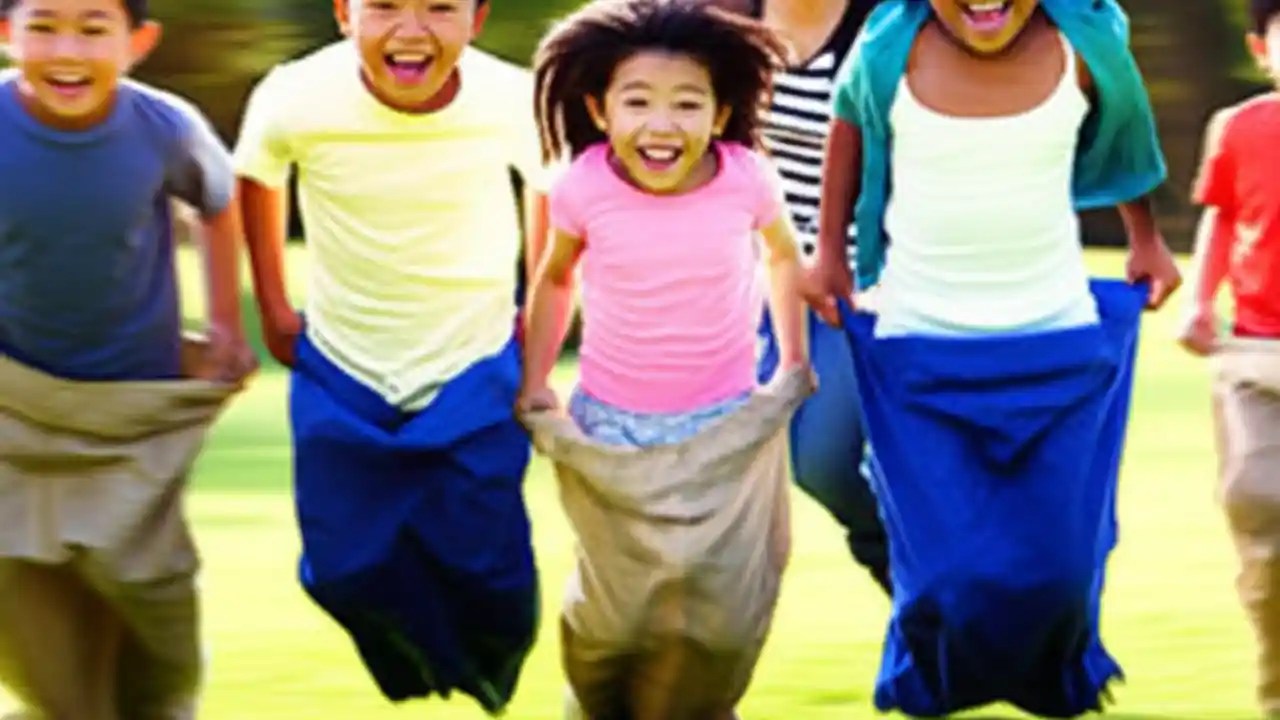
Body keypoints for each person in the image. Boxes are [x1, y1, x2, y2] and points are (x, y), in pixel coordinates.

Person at [811, 0, 1182, 715]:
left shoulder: (1086, 39)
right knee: (946, 578)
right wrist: (831, 255)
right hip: (922, 347)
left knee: (1064, 573)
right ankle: (926, 686)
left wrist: (1147, 237)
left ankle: (1060, 683)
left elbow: (1128, 138)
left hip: (1055, 343)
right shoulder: (891, 43)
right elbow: (848, 129)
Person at [232, 0, 548, 713]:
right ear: (344, 14)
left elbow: (552, 188)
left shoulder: (513, 94)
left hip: (474, 361)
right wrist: (275, 308)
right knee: (341, 568)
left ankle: (490, 669)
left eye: (440, 7)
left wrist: (543, 305)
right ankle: (420, 674)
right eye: (384, 7)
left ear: (477, 15)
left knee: (484, 563)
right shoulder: (295, 94)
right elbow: (256, 174)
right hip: (347, 365)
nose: (412, 30)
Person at [519, 0, 828, 716]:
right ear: (600, 111)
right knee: (621, 614)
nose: (663, 125)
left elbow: (784, 259)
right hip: (611, 435)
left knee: (715, 617)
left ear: (720, 116)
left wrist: (792, 360)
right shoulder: (582, 185)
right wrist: (536, 383)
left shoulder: (746, 177)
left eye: (688, 104)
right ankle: (596, 700)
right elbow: (556, 277)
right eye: (638, 102)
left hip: (723, 426)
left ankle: (700, 705)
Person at [0, 0, 256, 716]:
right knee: (17, 578)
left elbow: (217, 201)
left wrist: (227, 328)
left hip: (131, 408)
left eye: (92, 27)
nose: (67, 48)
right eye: (43, 26)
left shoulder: (165, 127)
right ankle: (65, 703)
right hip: (12, 401)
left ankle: (155, 704)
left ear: (137, 41)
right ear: (6, 35)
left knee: (144, 578)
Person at [723, 0, 892, 596]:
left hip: (861, 283)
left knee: (824, 461)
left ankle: (920, 581)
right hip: (760, 285)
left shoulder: (884, 24)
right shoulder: (725, 17)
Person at [1178, 2, 1280, 717]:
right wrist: (1196, 301)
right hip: (1252, 350)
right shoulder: (1239, 127)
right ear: (1260, 48)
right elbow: (1219, 215)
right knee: (1254, 495)